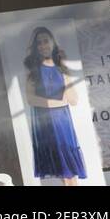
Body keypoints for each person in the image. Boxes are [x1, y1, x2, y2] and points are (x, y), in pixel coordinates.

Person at [24, 27, 86, 186]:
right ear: (35, 47)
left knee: (70, 172)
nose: (43, 45)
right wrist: (58, 102)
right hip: (46, 125)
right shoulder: (33, 71)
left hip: (63, 124)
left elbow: (73, 100)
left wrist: (63, 66)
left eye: (46, 41)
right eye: (39, 43)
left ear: (52, 42)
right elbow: (31, 99)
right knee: (62, 171)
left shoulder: (61, 69)